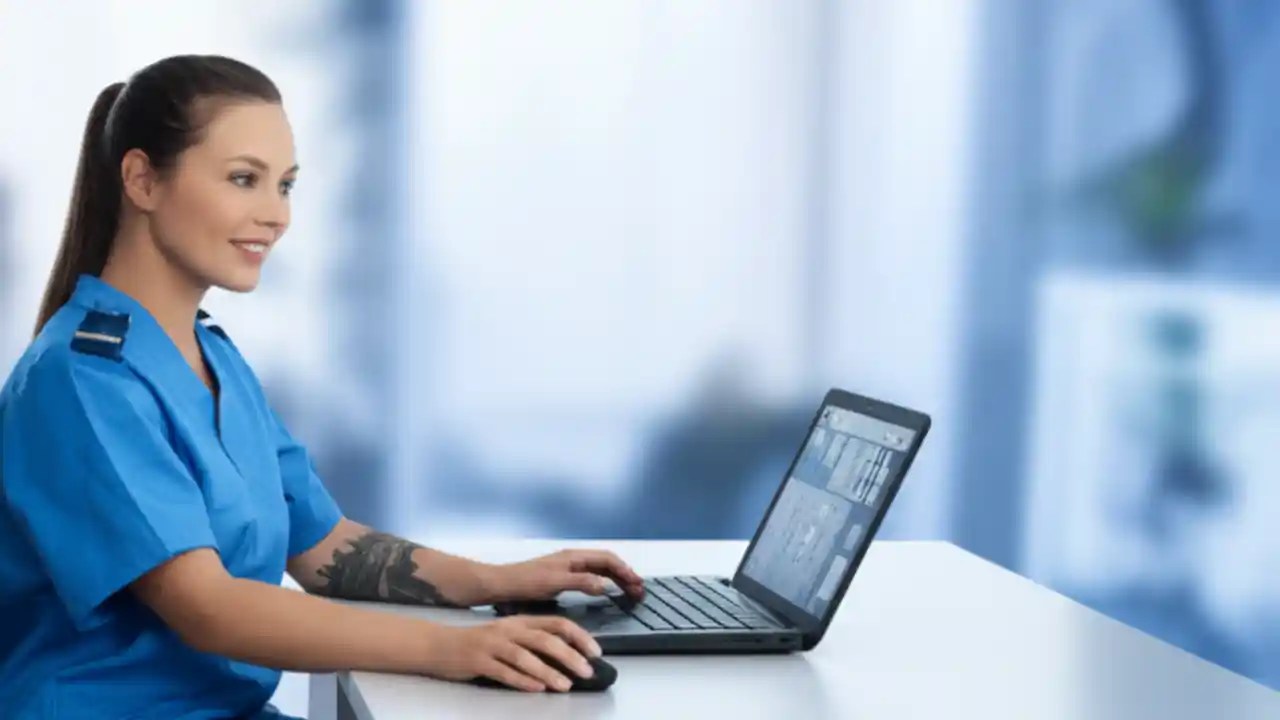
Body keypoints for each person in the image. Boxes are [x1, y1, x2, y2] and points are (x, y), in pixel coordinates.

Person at [0, 54, 645, 719]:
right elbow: (209, 609)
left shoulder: (210, 355)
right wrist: (457, 649)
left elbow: (322, 547)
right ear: (141, 179)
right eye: (244, 179)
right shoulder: (82, 380)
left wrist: (496, 583)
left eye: (285, 186)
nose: (275, 215)